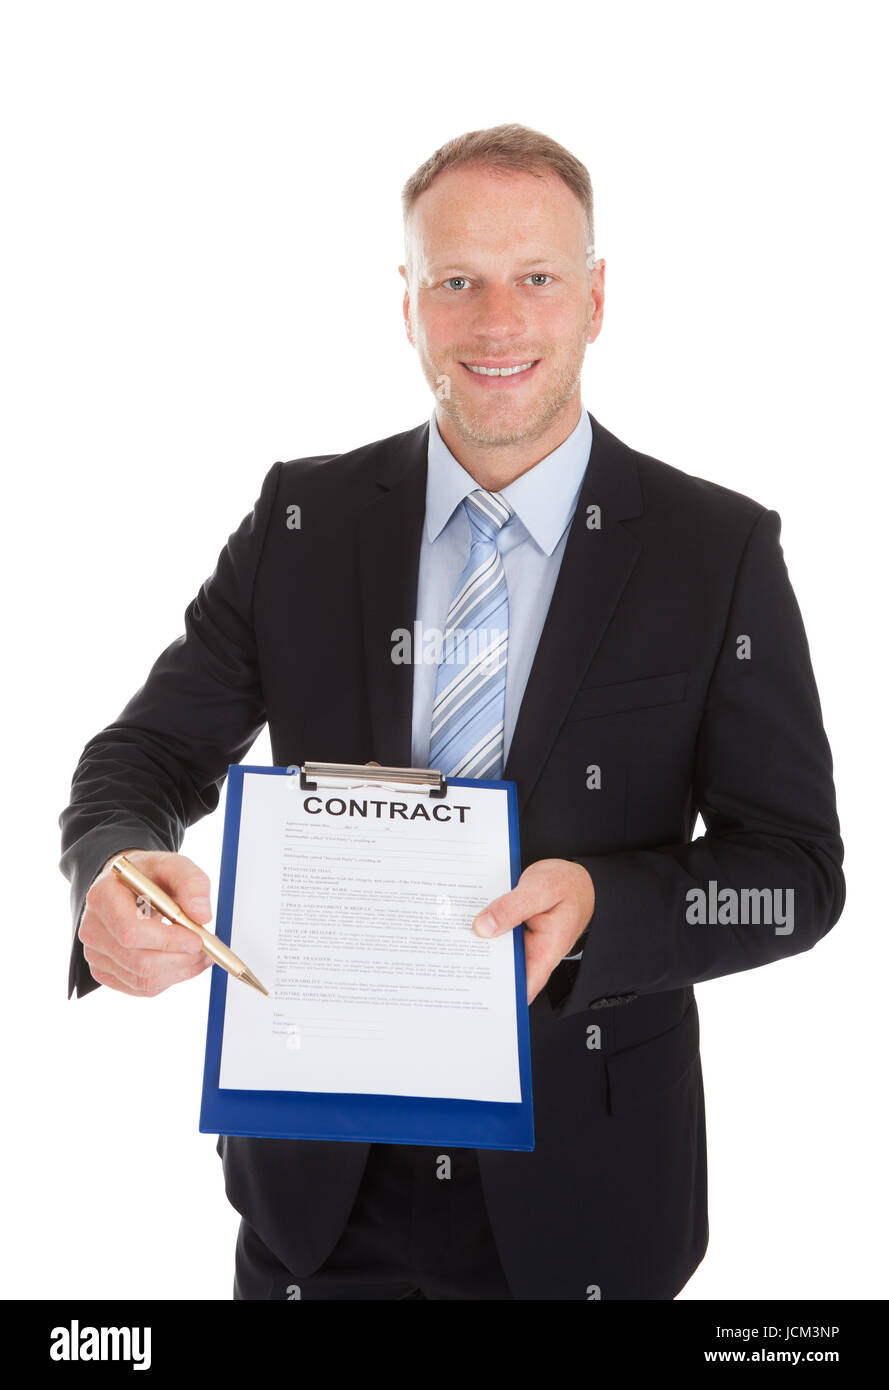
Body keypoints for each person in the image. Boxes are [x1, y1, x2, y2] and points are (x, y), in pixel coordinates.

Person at [59, 123, 845, 1300]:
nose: (495, 323)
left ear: (594, 298)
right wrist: (114, 871)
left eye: (535, 278)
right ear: (409, 305)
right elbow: (147, 753)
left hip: (586, 1202)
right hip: (313, 1198)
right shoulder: (302, 524)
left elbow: (792, 873)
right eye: (456, 282)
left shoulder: (715, 552)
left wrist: (599, 911)